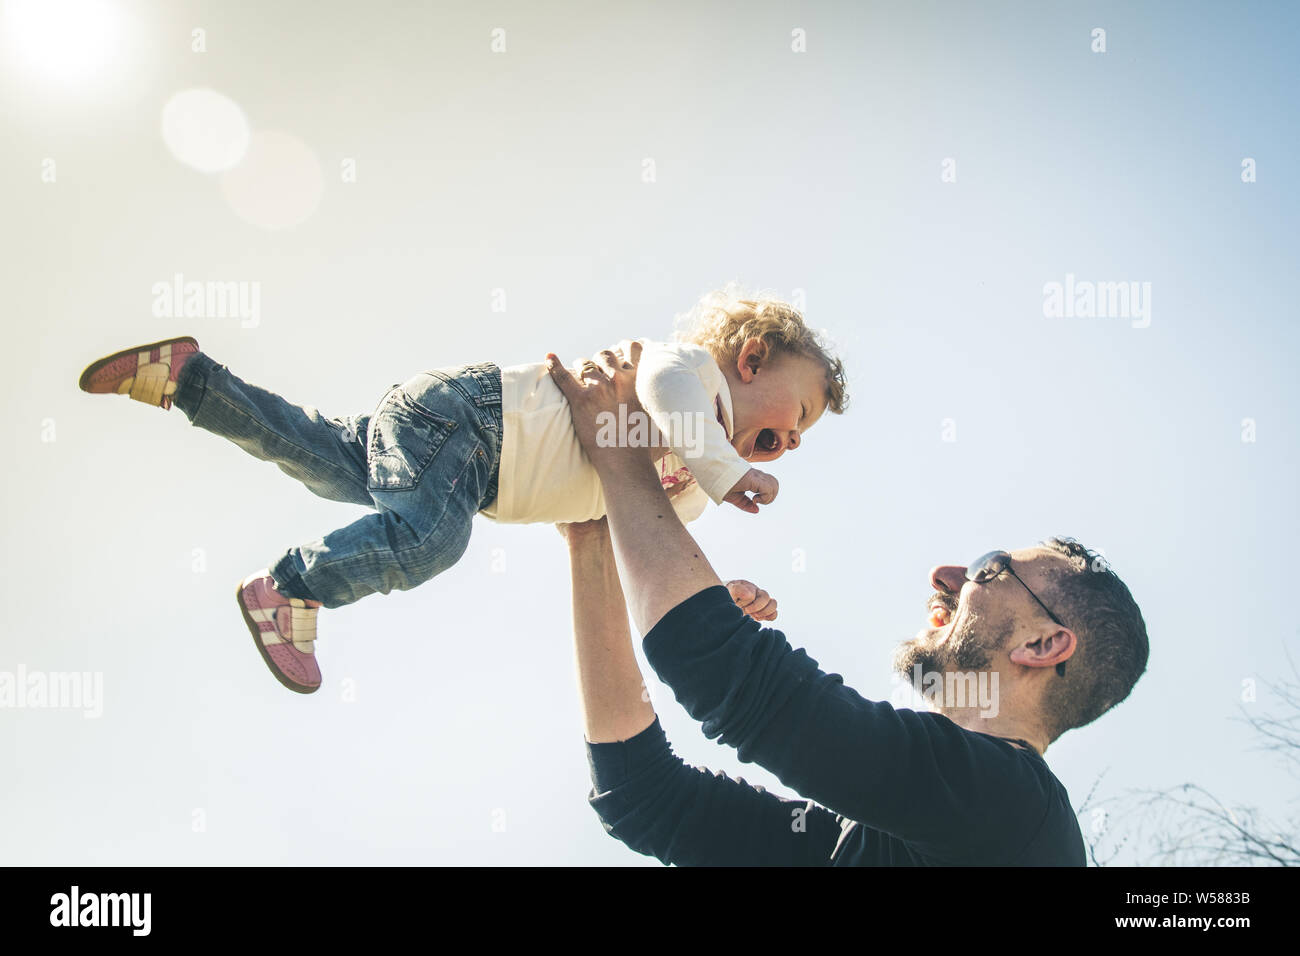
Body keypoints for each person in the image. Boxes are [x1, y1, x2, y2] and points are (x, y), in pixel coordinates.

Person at [549, 344, 1149, 866]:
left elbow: (728, 675)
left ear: (1043, 645)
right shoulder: (863, 845)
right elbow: (644, 800)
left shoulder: (1016, 814)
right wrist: (592, 537)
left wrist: (620, 449)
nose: (947, 577)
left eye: (989, 570)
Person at [75, 289, 846, 693]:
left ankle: (189, 381)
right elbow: (666, 387)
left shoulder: (689, 494)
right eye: (798, 415)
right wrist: (726, 467)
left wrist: (714, 593)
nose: (797, 441)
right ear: (750, 359)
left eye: (802, 441)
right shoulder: (692, 377)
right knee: (428, 542)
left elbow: (643, 542)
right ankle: (289, 589)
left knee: (318, 453)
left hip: (459, 463)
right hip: (473, 424)